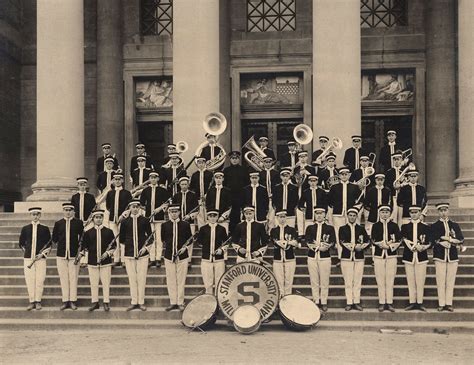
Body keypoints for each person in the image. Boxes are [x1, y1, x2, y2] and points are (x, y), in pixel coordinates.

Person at [119, 200, 152, 311]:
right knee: (132, 278)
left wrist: (145, 248)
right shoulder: (124, 222)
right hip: (129, 254)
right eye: (133, 207)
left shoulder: (145, 220)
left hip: (143, 254)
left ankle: (141, 302)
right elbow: (122, 239)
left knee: (141, 278)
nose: (135, 209)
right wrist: (128, 248)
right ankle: (134, 301)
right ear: (129, 208)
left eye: (137, 206)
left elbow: (151, 237)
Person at [431, 202, 464, 312]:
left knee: (450, 280)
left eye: (445, 210)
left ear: (448, 211)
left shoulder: (455, 225)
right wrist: (440, 242)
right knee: (440, 280)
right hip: (440, 256)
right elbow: (432, 240)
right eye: (441, 211)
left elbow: (460, 239)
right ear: (438, 212)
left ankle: (448, 303)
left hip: (452, 256)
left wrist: (448, 239)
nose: (443, 213)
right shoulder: (435, 225)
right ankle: (441, 303)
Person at [81, 209, 116, 312]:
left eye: (100, 217)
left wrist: (107, 253)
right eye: (96, 217)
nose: (98, 219)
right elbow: (84, 246)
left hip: (106, 262)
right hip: (92, 261)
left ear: (102, 218)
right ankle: (95, 302)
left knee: (106, 282)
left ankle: (106, 302)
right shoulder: (88, 232)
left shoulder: (109, 231)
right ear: (93, 219)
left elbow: (114, 246)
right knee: (94, 283)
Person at [52, 203, 84, 310]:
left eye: (70, 210)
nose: (68, 212)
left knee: (73, 278)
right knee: (63, 278)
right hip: (61, 255)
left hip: (74, 255)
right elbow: (55, 239)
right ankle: (65, 300)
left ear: (73, 211)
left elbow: (82, 238)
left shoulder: (78, 223)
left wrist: (80, 253)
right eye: (66, 210)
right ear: (63, 211)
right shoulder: (58, 223)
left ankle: (73, 301)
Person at [19, 207, 51, 311]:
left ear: (40, 215)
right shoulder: (25, 228)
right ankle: (32, 301)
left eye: (37, 214)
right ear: (30, 216)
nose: (35, 216)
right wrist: (27, 253)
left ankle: (38, 301)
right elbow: (21, 243)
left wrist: (42, 254)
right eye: (33, 214)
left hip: (40, 258)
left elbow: (49, 245)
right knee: (30, 280)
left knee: (40, 280)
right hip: (28, 258)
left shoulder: (45, 228)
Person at [161, 205, 192, 311]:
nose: (174, 213)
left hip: (182, 256)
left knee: (181, 280)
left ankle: (180, 302)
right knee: (170, 279)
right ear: (169, 213)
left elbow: (190, 239)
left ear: (179, 212)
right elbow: (163, 239)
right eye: (172, 211)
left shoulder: (185, 225)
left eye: (176, 211)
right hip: (169, 256)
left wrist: (185, 248)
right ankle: (173, 302)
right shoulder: (165, 225)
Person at [370, 205, 402, 312]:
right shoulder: (375, 226)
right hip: (379, 255)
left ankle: (389, 302)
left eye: (387, 212)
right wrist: (380, 245)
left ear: (390, 213)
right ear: (379, 213)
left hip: (391, 256)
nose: (384, 214)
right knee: (380, 279)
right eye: (382, 212)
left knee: (390, 279)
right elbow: (373, 239)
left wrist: (390, 246)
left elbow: (398, 239)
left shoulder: (394, 226)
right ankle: (382, 302)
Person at [338, 207, 370, 311]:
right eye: (350, 215)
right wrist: (354, 247)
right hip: (346, 258)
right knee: (348, 281)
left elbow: (367, 241)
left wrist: (361, 247)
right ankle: (349, 301)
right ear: (347, 216)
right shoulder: (342, 229)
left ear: (357, 217)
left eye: (354, 215)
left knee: (357, 280)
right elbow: (342, 241)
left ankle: (356, 301)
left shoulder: (361, 228)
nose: (352, 217)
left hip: (359, 258)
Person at [305, 207, 336, 312]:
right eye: (317, 213)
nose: (319, 215)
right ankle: (316, 301)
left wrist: (322, 245)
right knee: (314, 281)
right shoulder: (309, 228)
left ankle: (324, 301)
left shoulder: (330, 228)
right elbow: (308, 242)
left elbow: (331, 242)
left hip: (325, 257)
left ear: (325, 215)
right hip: (312, 257)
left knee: (324, 280)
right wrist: (320, 246)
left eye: (321, 213)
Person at [400, 205, 431, 311]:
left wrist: (422, 247)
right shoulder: (404, 227)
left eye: (416, 212)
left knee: (420, 280)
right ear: (409, 214)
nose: (414, 214)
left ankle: (419, 302)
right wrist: (410, 246)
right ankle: (412, 302)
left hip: (421, 257)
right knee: (411, 280)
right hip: (409, 257)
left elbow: (429, 243)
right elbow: (402, 240)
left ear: (420, 213)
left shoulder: (426, 227)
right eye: (412, 212)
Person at [140, 171, 171, 268]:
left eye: (155, 177)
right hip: (149, 218)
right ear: (149, 179)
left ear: (158, 179)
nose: (153, 179)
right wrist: (148, 209)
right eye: (151, 177)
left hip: (159, 217)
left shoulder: (162, 190)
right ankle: (152, 258)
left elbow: (167, 202)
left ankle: (158, 258)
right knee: (150, 238)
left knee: (159, 239)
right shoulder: (145, 190)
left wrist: (159, 209)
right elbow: (141, 203)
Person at [196, 210, 228, 295]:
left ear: (217, 217)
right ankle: (209, 300)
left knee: (219, 281)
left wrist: (221, 250)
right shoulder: (203, 229)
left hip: (219, 259)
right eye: (211, 216)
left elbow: (226, 243)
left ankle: (218, 300)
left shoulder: (222, 229)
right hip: (206, 259)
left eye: (215, 216)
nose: (213, 218)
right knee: (208, 282)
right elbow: (199, 242)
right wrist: (207, 248)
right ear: (208, 217)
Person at [327, 167, 360, 245]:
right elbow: (329, 200)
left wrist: (355, 209)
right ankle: (340, 254)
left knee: (351, 233)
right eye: (342, 174)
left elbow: (360, 200)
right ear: (339, 176)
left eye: (346, 174)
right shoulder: (334, 187)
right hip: (338, 213)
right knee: (338, 233)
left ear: (349, 175)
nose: (344, 176)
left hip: (351, 214)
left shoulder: (354, 187)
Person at [105, 172, 133, 265]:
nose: (117, 181)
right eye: (115, 179)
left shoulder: (127, 193)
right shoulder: (110, 193)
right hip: (113, 219)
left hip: (123, 220)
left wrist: (123, 216)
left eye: (119, 179)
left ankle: (124, 259)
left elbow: (129, 207)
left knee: (123, 239)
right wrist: (114, 216)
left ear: (122, 180)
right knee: (114, 239)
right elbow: (108, 206)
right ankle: (116, 259)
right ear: (113, 181)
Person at [270, 210, 299, 296]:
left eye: (283, 217)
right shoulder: (274, 230)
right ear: (277, 218)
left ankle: (288, 298)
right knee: (279, 280)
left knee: (289, 280)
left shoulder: (292, 230)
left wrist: (285, 242)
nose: (282, 219)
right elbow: (276, 242)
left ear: (286, 218)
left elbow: (295, 242)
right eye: (280, 217)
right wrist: (288, 242)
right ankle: (281, 299)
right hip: (278, 258)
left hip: (290, 258)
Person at [223, 151, 249, 233]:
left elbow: (247, 183)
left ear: (239, 159)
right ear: (230, 159)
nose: (234, 160)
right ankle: (231, 233)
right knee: (230, 214)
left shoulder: (244, 170)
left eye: (236, 158)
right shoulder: (226, 170)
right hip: (229, 196)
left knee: (239, 214)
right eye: (232, 158)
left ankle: (239, 232)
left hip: (240, 196)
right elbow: (224, 184)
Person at [384, 152, 404, 225]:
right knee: (393, 217)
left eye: (398, 159)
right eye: (395, 159)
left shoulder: (405, 171)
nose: (396, 161)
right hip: (393, 197)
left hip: (402, 197)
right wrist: (394, 186)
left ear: (401, 160)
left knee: (401, 219)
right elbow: (387, 185)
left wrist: (401, 184)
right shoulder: (389, 172)